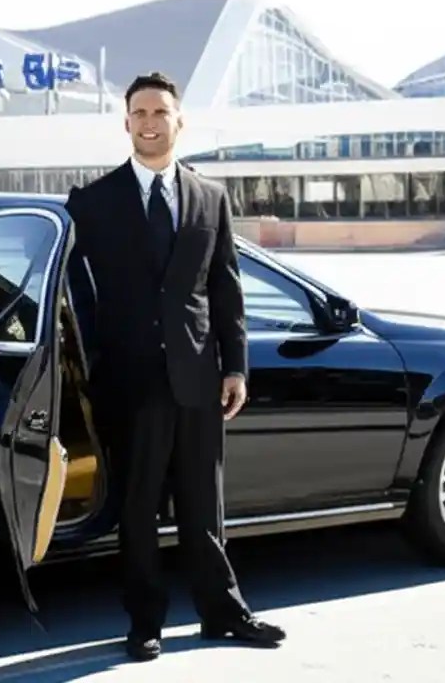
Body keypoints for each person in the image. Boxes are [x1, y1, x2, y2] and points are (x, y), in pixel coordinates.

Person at [64, 71, 286, 662]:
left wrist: (235, 368)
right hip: (129, 382)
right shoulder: (92, 202)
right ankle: (144, 624)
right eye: (139, 112)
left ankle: (224, 612)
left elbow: (226, 288)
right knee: (137, 511)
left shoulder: (210, 198)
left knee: (202, 505)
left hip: (198, 378)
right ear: (126, 122)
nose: (150, 122)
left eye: (160, 112)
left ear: (178, 120)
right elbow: (74, 294)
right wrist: (92, 356)